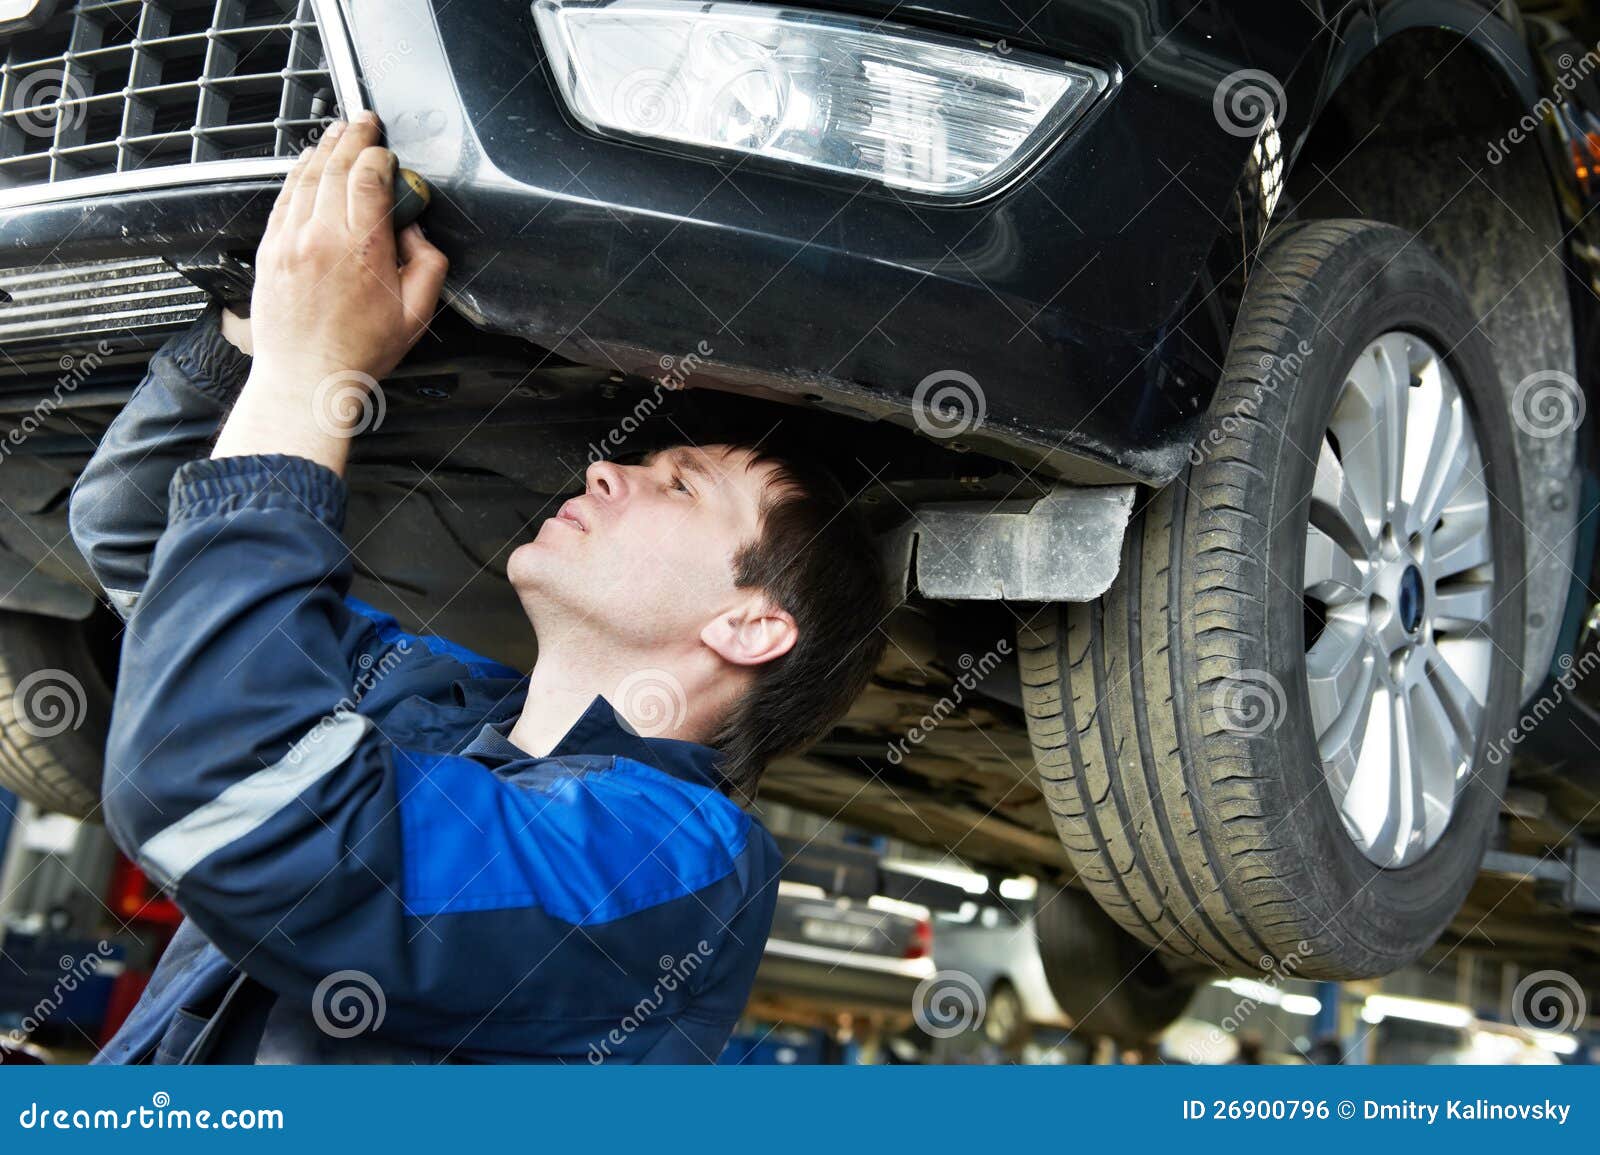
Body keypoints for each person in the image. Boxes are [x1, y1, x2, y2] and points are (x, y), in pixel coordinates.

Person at [69, 113, 889, 1064]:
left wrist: (313, 373)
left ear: (751, 626)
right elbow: (142, 533)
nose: (604, 472)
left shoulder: (677, 871)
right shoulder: (434, 698)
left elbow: (222, 786)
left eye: (679, 483)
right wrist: (265, 326)